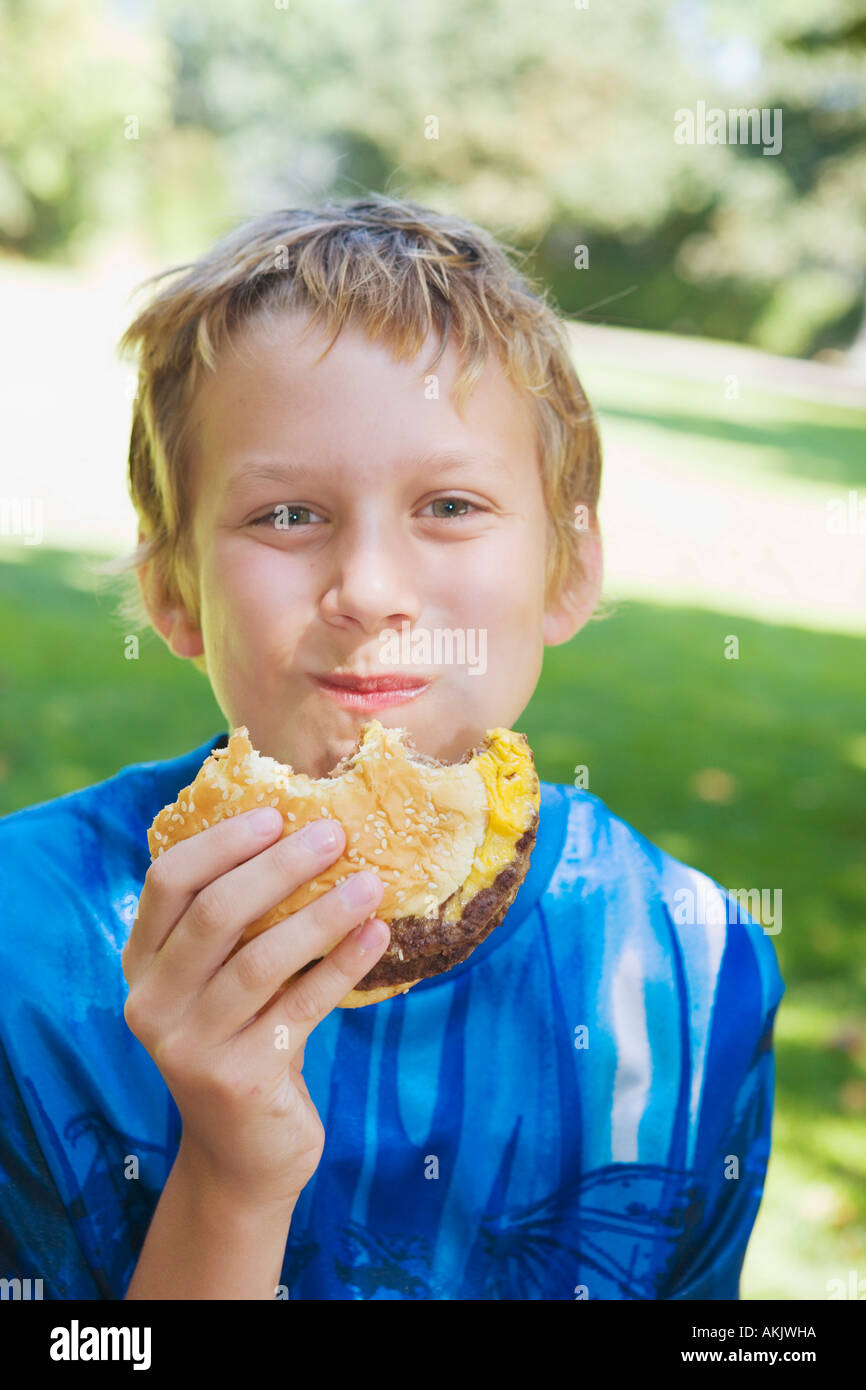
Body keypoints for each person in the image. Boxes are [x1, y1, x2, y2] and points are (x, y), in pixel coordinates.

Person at [0, 193, 784, 1300]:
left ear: (566, 571)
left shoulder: (696, 972)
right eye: (285, 516)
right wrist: (231, 1179)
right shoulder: (20, 948)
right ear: (174, 590)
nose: (368, 590)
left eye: (451, 504)